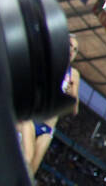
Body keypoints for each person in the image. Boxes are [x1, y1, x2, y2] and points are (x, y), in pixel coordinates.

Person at [26, 34, 81, 177]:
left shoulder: (74, 75)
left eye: (75, 50)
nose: (71, 51)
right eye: (69, 46)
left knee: (31, 171)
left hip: (48, 128)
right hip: (32, 119)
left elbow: (75, 110)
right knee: (26, 159)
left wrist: (71, 94)